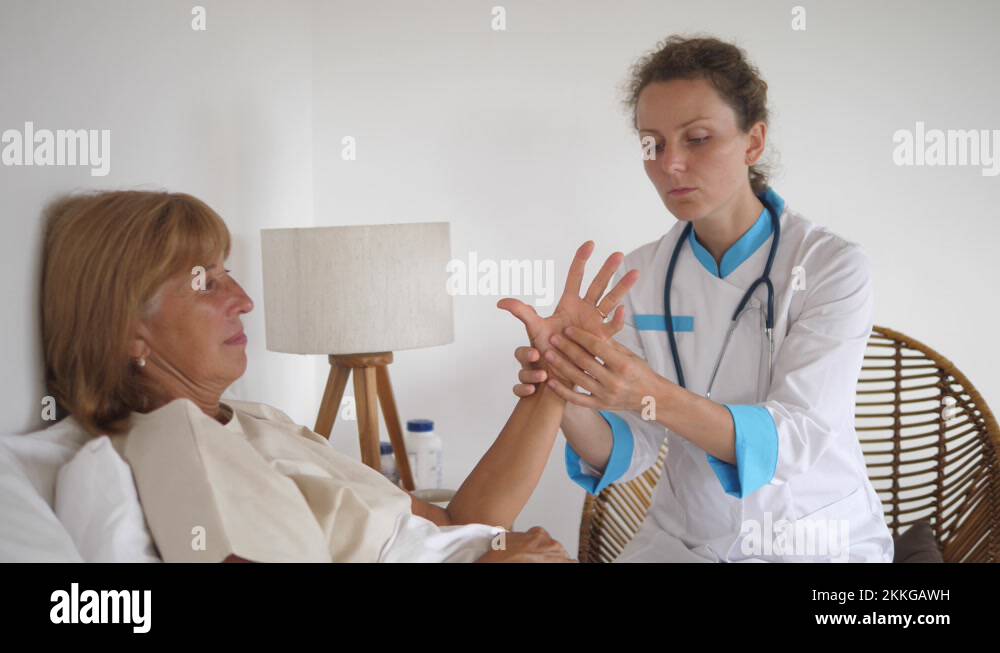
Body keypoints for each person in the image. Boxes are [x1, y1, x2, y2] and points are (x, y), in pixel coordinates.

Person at [40, 190, 636, 563]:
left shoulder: (251, 421)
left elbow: (458, 523)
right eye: (206, 281)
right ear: (127, 329)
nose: (244, 300)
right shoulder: (171, 448)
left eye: (229, 273)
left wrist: (560, 374)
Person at [501, 35, 893, 562]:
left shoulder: (831, 266)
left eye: (698, 139)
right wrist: (566, 388)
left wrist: (652, 392)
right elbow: (629, 448)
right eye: (653, 143)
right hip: (685, 543)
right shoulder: (639, 274)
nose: (672, 165)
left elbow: (798, 437)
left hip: (816, 541)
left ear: (753, 142)